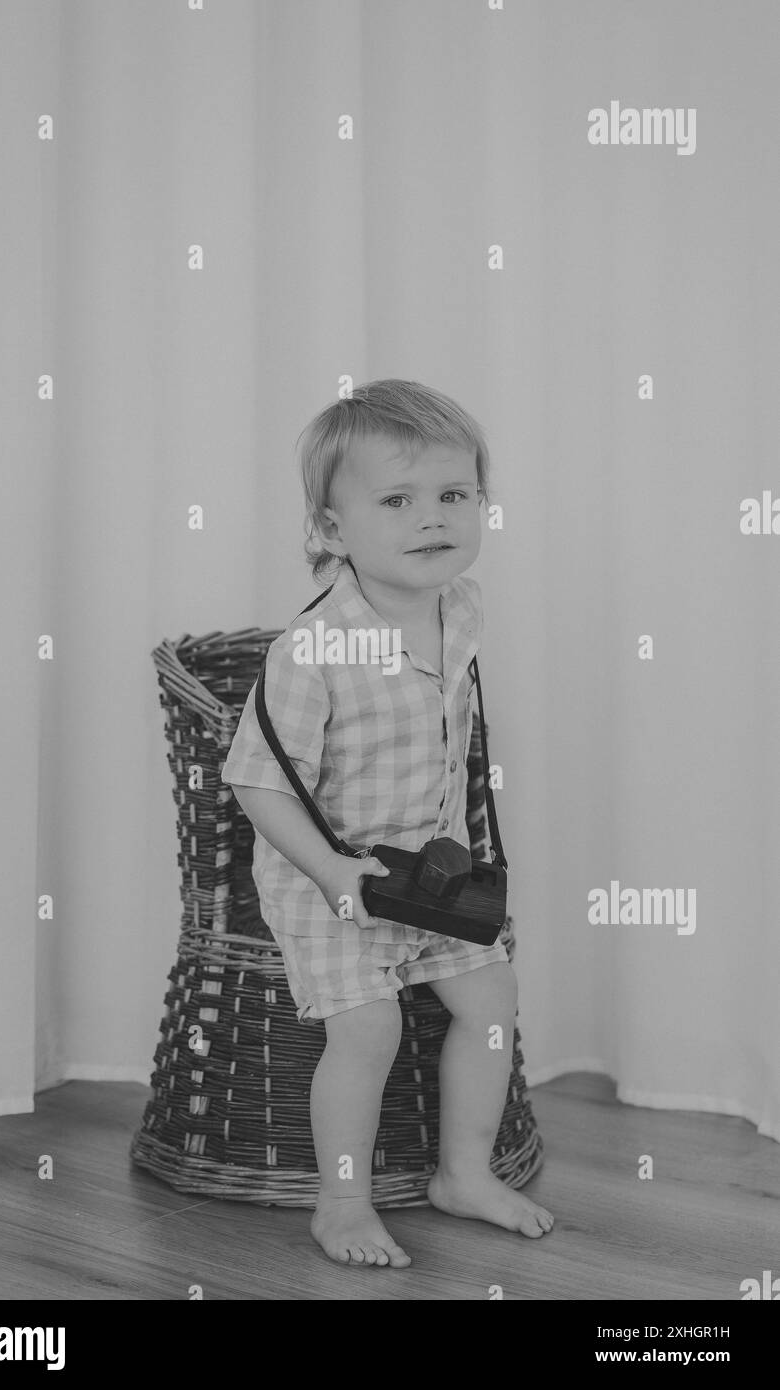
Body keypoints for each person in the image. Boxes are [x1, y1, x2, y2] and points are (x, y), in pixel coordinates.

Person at [221, 379, 554, 1267]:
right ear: (331, 532)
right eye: (397, 500)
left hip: (428, 871)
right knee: (369, 1028)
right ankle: (342, 1200)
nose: (432, 518)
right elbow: (257, 781)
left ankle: (463, 1172)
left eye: (455, 495)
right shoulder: (313, 648)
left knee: (491, 1001)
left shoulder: (461, 607)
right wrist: (332, 875)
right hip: (330, 882)